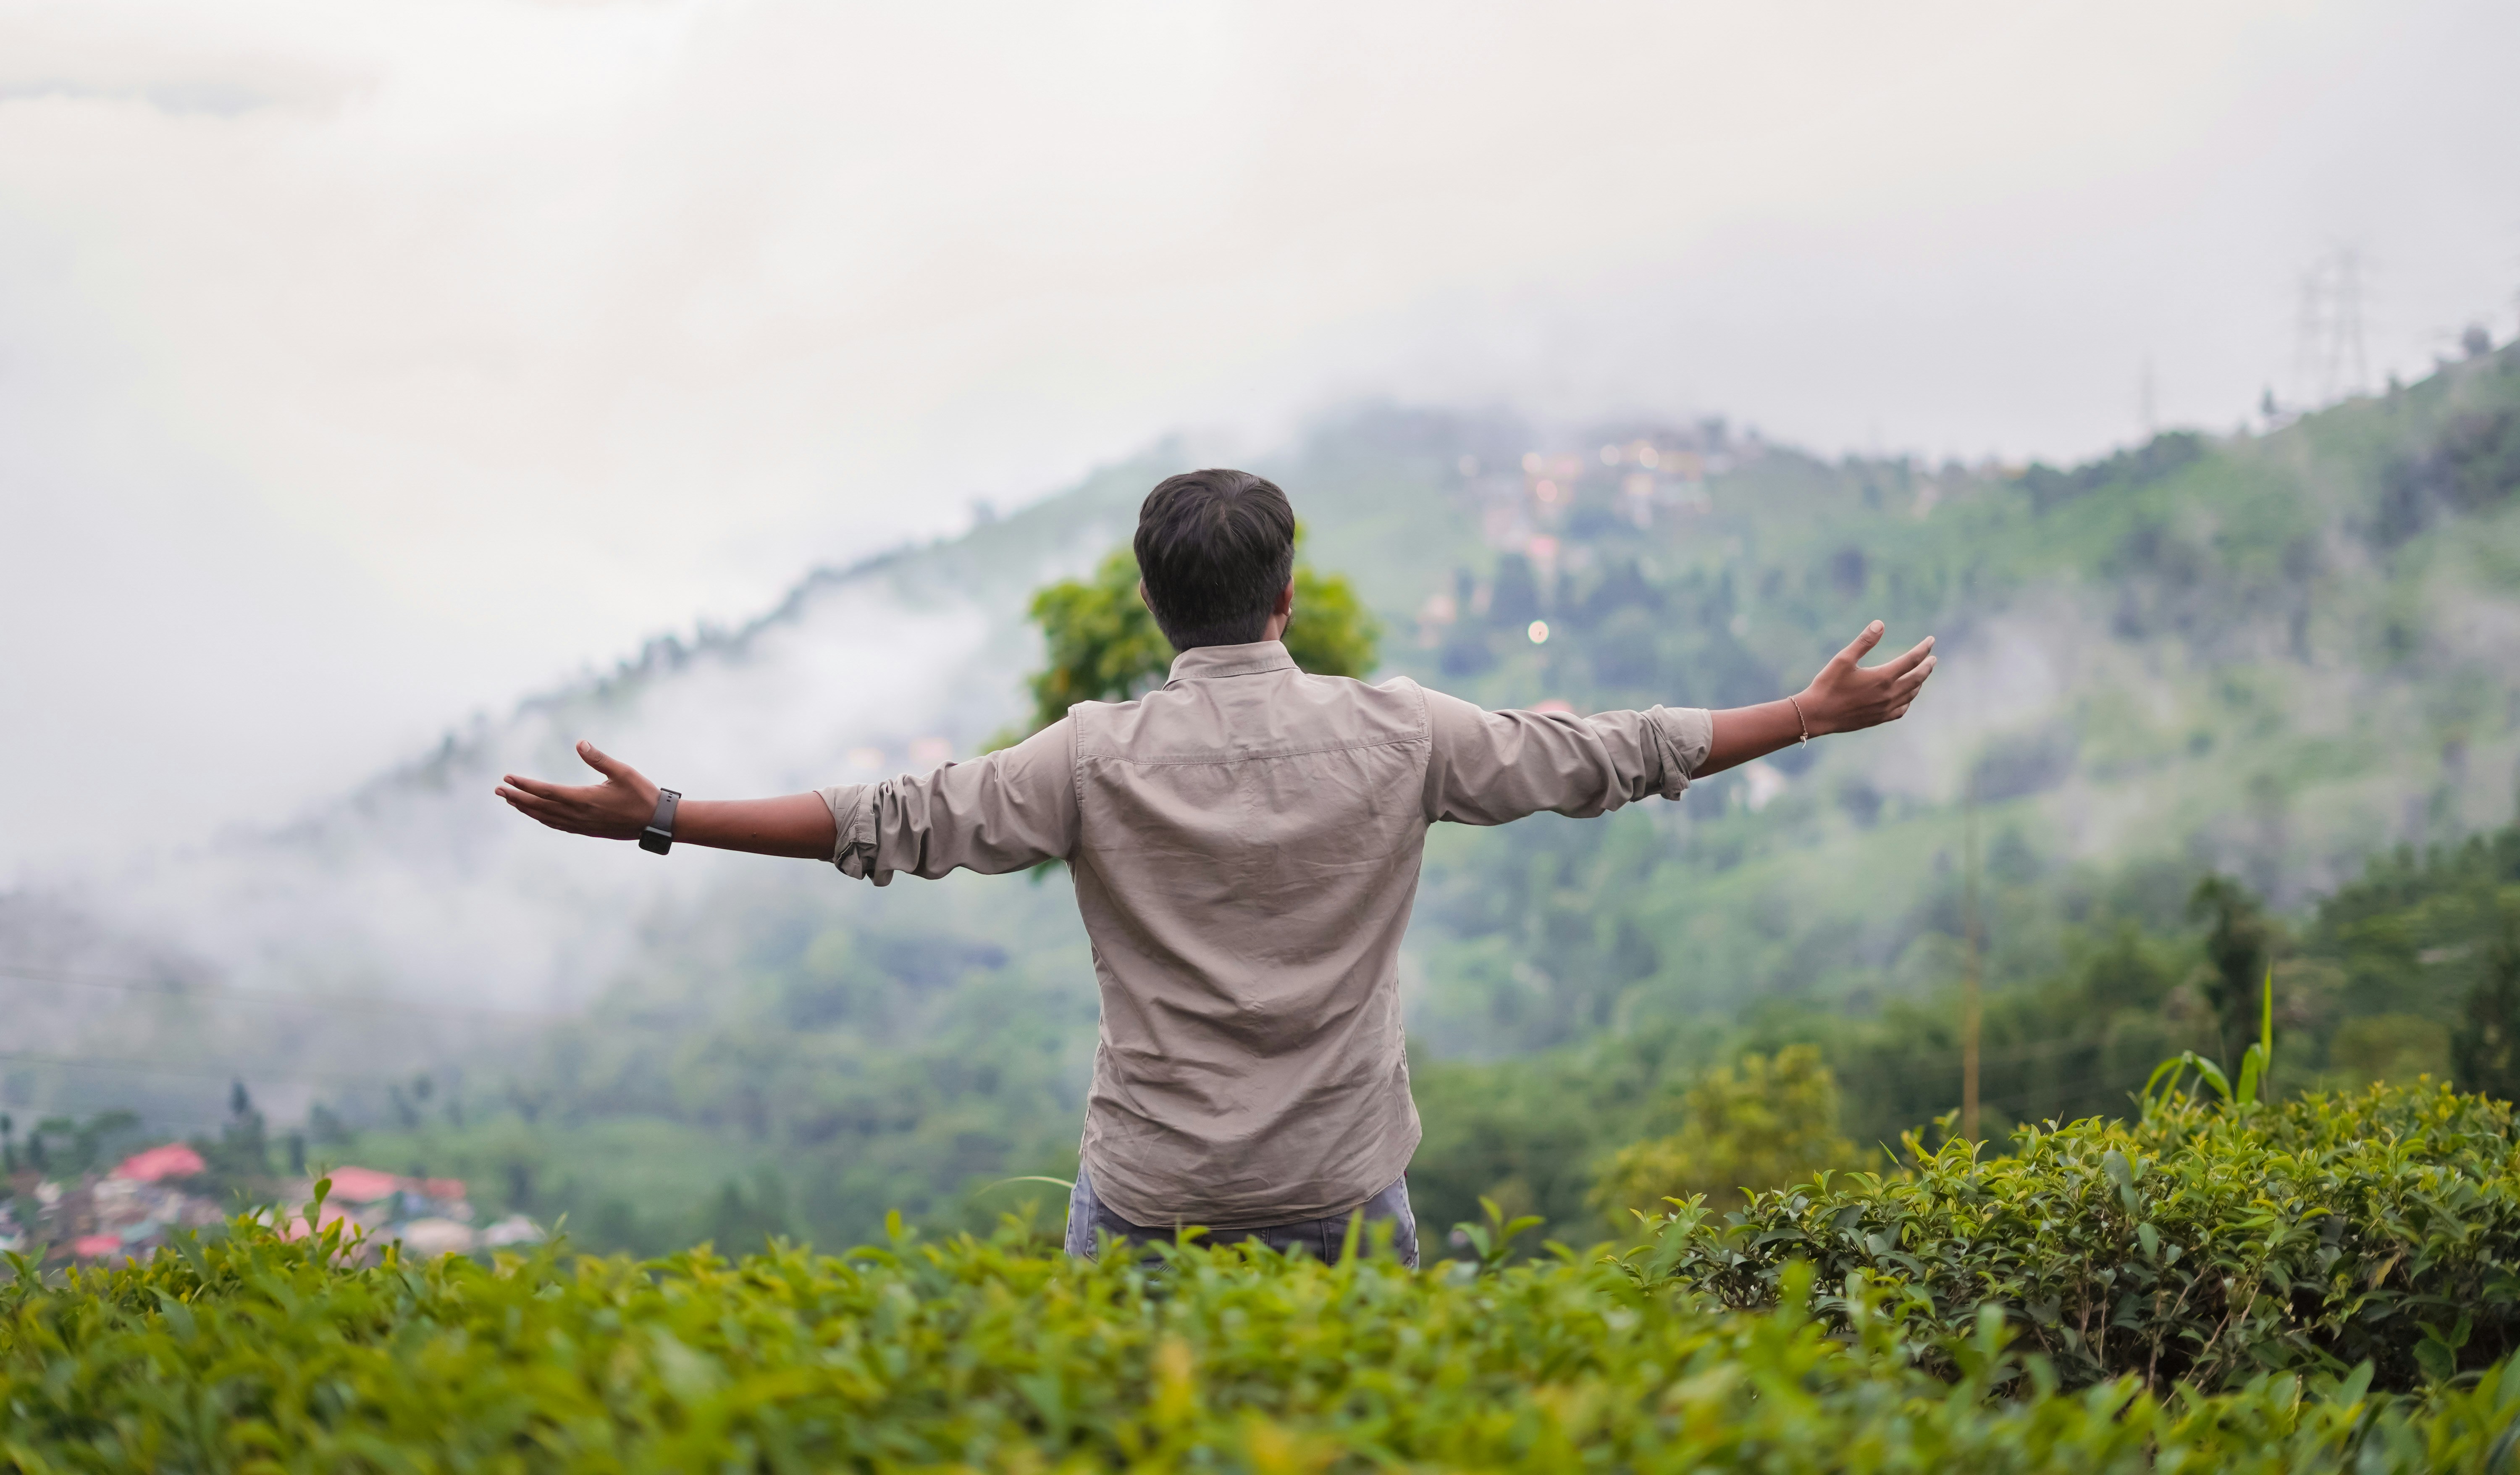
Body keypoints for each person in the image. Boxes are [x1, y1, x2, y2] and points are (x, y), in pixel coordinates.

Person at [496, 468, 1935, 1266]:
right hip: (1343, 1190)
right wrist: (1806, 715)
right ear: (1287, 596)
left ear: (1150, 602)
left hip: (1147, 1200)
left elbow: (887, 819)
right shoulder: (1399, 732)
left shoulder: (1089, 757)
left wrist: (665, 812)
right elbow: (1610, 754)